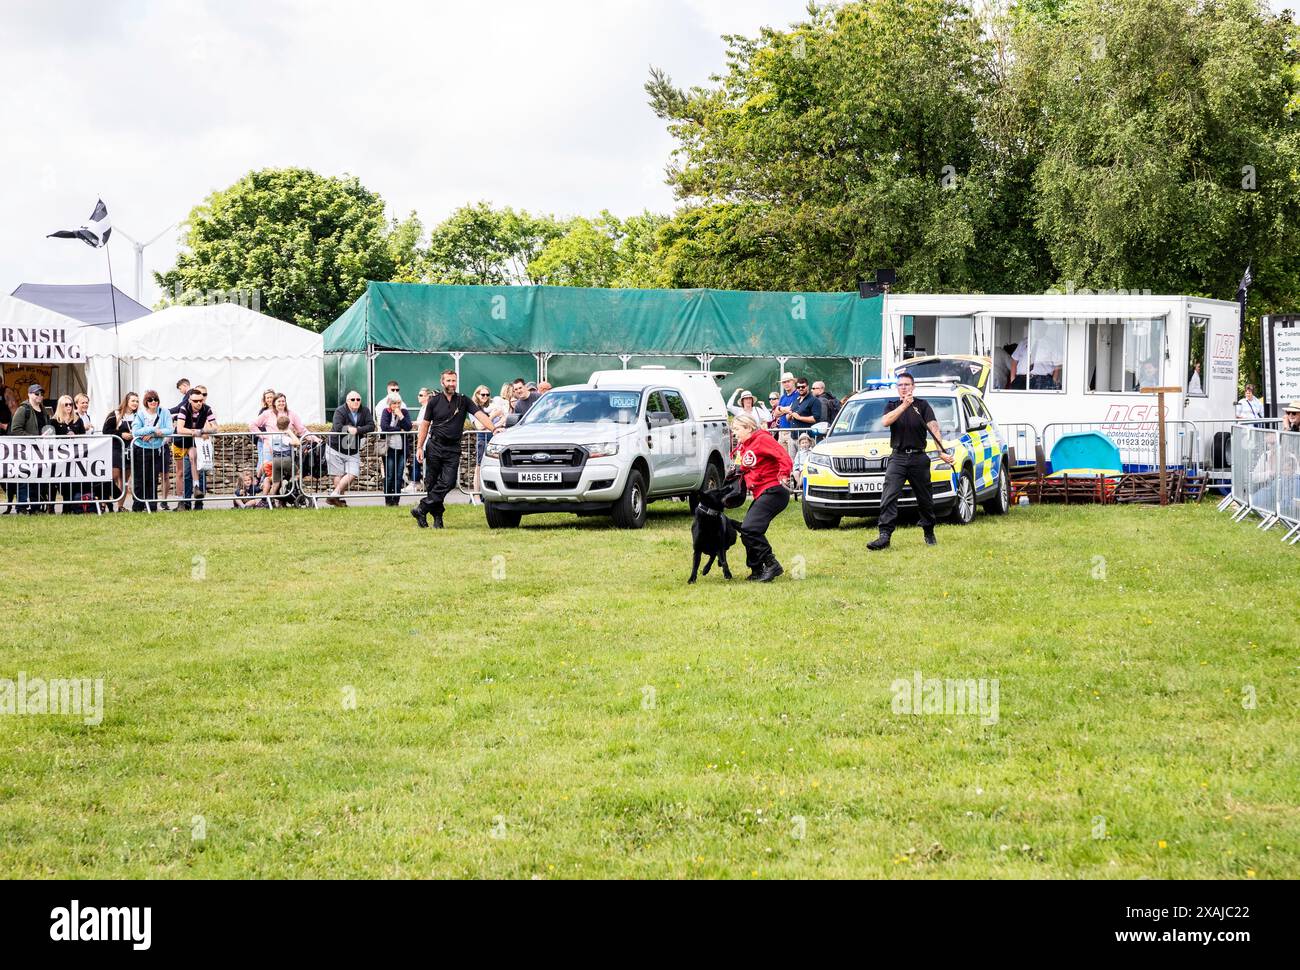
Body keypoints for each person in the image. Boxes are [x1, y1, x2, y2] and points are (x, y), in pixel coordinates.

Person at [868, 372, 956, 550]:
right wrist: (903, 406)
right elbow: (885, 421)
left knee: (925, 499)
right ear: (897, 388)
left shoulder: (922, 405)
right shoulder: (892, 405)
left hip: (918, 457)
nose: (903, 388)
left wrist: (941, 452)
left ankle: (929, 531)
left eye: (907, 385)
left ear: (913, 386)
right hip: (898, 457)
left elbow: (934, 428)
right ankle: (884, 535)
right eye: (900, 385)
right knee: (889, 495)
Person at [411, 369, 495, 529]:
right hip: (434, 445)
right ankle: (437, 519)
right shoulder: (434, 401)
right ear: (442, 382)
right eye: (448, 381)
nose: (451, 383)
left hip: (452, 448)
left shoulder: (463, 400)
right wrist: (419, 447)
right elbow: (425, 425)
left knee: (448, 482)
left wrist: (494, 428)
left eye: (453, 381)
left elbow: (480, 415)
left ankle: (422, 508)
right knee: (432, 483)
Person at [730, 413, 794, 582]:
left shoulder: (762, 439)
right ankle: (756, 569)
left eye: (736, 429)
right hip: (761, 492)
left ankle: (772, 565)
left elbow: (784, 457)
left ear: (748, 428)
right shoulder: (744, 446)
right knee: (747, 531)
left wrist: (783, 474)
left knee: (750, 528)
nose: (734, 433)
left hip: (774, 490)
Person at [172, 385, 217, 510]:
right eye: (195, 401)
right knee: (183, 473)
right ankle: (184, 503)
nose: (198, 403)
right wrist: (196, 431)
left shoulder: (207, 409)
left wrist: (202, 431)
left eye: (201, 400)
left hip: (195, 443)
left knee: (195, 462)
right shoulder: (183, 409)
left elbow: (215, 427)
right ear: (190, 400)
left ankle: (198, 500)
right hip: (181, 442)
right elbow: (180, 429)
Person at [326, 391, 374, 507]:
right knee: (337, 474)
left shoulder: (365, 411)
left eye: (358, 399)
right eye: (353, 399)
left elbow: (371, 426)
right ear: (347, 401)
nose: (356, 401)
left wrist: (357, 430)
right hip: (335, 447)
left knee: (353, 473)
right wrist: (348, 428)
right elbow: (337, 427)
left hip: (353, 449)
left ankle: (334, 495)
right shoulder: (340, 411)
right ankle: (339, 501)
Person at [130, 390, 174, 512]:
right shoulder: (140, 413)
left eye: (155, 399)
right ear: (146, 402)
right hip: (140, 449)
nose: (153, 402)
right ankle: (138, 506)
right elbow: (135, 431)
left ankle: (152, 506)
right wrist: (152, 430)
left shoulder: (164, 412)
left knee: (153, 479)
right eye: (150, 400)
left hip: (155, 449)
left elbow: (169, 429)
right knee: (140, 479)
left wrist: (154, 433)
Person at [103, 392, 138, 512]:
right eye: (133, 400)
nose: (135, 403)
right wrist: (121, 434)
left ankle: (120, 506)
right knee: (114, 476)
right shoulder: (115, 414)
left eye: (137, 401)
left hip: (131, 450)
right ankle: (104, 502)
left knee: (124, 480)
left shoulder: (138, 416)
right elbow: (106, 430)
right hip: (116, 449)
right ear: (126, 401)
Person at [379, 392, 412, 506]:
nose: (396, 406)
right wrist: (399, 429)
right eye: (394, 403)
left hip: (401, 450)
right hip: (389, 449)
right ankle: (388, 500)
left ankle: (396, 501)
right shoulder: (386, 412)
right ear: (389, 404)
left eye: (398, 403)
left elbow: (408, 427)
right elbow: (384, 427)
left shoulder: (404, 412)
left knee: (399, 476)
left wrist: (401, 416)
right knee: (389, 475)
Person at [266, 414, 300, 505]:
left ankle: (269, 501)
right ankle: (287, 485)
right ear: (288, 425)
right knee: (297, 474)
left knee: (275, 482)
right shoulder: (285, 438)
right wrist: (290, 433)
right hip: (286, 459)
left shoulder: (272, 437)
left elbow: (270, 449)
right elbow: (297, 443)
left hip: (275, 460)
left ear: (276, 425)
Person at [470, 384, 494, 495]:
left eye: (487, 394)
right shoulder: (473, 408)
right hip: (482, 439)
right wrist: (493, 416)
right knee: (479, 466)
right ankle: (476, 495)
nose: (485, 396)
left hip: (493, 439)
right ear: (477, 394)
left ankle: (488, 494)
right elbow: (480, 426)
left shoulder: (489, 406)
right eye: (482, 394)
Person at [0, 386, 16, 512]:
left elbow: (14, 411)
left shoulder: (6, 392)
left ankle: (10, 502)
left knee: (6, 473)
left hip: (5, 438)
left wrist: (8, 428)